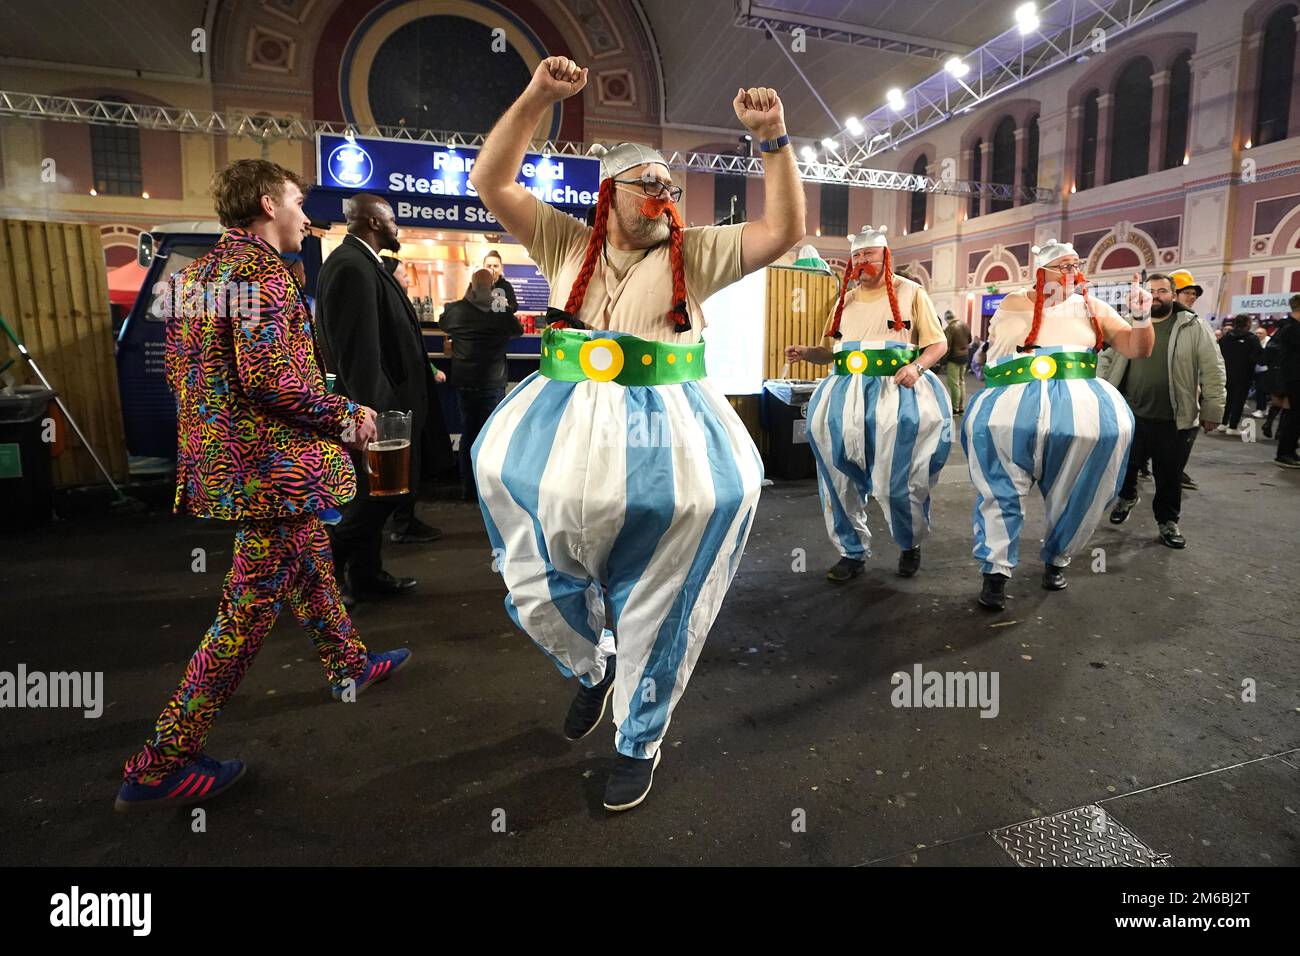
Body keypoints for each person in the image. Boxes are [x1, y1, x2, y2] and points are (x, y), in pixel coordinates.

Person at [467, 56, 804, 811]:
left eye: (671, 188)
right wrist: (536, 98)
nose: (663, 196)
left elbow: (784, 229)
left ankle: (638, 739)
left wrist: (773, 139)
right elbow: (492, 182)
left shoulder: (698, 252)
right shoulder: (563, 242)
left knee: (660, 595)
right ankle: (591, 666)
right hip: (563, 432)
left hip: (665, 444)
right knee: (536, 578)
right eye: (647, 185)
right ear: (607, 195)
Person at [114, 160, 409, 812]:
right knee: (243, 618)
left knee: (307, 559)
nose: (307, 216)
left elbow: (190, 377)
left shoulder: (197, 277)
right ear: (269, 202)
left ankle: (348, 665)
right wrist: (346, 416)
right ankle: (160, 763)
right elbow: (271, 380)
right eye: (300, 201)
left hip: (227, 464)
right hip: (271, 471)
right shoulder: (260, 274)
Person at [964, 243, 1154, 610]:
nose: (1072, 270)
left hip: (1081, 415)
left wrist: (1142, 317)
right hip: (1011, 413)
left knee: (1077, 492)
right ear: (1040, 271)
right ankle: (995, 573)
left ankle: (1057, 558)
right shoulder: (1013, 303)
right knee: (999, 493)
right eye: (1062, 265)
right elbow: (1000, 354)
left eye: (1076, 264)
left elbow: (1137, 349)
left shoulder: (1093, 308)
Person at [784, 224, 950, 581]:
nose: (861, 261)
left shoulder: (912, 292)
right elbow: (829, 353)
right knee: (838, 477)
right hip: (843, 399)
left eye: (868, 254)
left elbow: (938, 344)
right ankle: (852, 551)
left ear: (886, 256)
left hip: (896, 397)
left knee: (897, 481)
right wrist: (807, 352)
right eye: (856, 255)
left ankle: (909, 542)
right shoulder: (845, 300)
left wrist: (917, 367)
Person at [316, 195, 439, 606]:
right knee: (374, 500)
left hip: (386, 410)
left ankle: (366, 576)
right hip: (378, 415)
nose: (396, 226)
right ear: (373, 222)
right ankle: (323, 582)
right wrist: (377, 419)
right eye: (391, 219)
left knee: (379, 496)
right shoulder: (352, 266)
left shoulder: (363, 263)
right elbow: (359, 354)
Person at [1102, 273, 1225, 548]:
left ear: (1173, 295)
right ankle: (1127, 496)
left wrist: (1213, 409)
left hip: (1173, 419)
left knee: (1168, 475)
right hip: (1130, 414)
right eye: (1151, 291)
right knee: (1127, 464)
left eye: (1162, 291)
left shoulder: (1193, 326)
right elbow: (1107, 358)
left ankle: (1167, 522)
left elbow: (1213, 369)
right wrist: (1102, 392)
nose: (1155, 295)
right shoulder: (1129, 323)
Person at [382, 255, 454, 546]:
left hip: (411, 396)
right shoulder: (388, 306)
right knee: (402, 463)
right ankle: (401, 523)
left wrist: (430, 369)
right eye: (401, 275)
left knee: (410, 463)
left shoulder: (397, 303)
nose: (407, 280)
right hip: (399, 399)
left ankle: (404, 519)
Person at [439, 268, 523, 500]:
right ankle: (487, 490)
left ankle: (468, 488)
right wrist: (501, 301)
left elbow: (443, 323)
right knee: (489, 436)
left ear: (471, 285)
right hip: (492, 382)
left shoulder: (456, 310)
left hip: (464, 381)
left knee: (469, 432)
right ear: (492, 287)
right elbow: (518, 330)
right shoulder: (499, 312)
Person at [1168, 269, 1207, 491]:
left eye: (1194, 294)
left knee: (1187, 431)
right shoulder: (1158, 320)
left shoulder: (1195, 323)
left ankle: (1174, 470)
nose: (1192, 297)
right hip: (1161, 390)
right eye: (1187, 293)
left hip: (1188, 389)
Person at [1217, 314, 1263, 434]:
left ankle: (1223, 423)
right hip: (1244, 374)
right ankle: (1232, 427)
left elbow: (1218, 352)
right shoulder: (1252, 338)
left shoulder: (1226, 337)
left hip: (1226, 373)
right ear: (1248, 324)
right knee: (1239, 400)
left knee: (1227, 398)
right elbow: (1259, 356)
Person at [1268, 294, 1300, 467]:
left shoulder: (1288, 327)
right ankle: (1284, 453)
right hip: (1294, 377)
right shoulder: (1291, 328)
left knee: (1294, 416)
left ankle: (1290, 451)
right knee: (1294, 416)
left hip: (1292, 376)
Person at [943, 310, 972, 414]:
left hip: (954, 358)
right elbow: (969, 340)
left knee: (954, 383)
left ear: (947, 319)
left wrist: (943, 360)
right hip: (965, 356)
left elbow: (947, 346)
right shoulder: (965, 325)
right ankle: (961, 407)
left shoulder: (950, 328)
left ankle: (954, 408)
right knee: (961, 381)